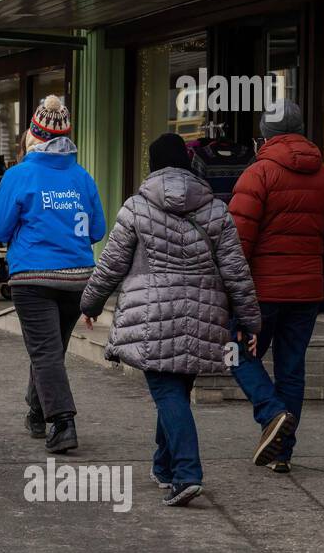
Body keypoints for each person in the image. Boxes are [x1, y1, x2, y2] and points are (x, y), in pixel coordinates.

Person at [81, 133, 263, 507]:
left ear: (152, 165)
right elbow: (235, 271)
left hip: (150, 316)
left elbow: (111, 263)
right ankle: (164, 467)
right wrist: (249, 321)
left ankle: (187, 473)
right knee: (176, 391)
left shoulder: (136, 208)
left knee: (167, 393)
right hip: (203, 315)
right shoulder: (215, 210)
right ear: (188, 163)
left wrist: (91, 303)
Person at [0, 95, 106, 455]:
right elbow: (97, 230)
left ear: (33, 136)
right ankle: (37, 411)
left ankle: (63, 422)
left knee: (46, 352)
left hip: (33, 277)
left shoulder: (19, 175)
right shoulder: (83, 177)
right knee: (53, 350)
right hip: (78, 277)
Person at [228, 101, 324, 473]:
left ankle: (271, 412)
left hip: (262, 294)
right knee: (291, 369)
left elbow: (238, 242)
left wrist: (231, 292)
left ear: (265, 136)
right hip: (306, 292)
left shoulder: (258, 174)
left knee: (235, 352)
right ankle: (282, 452)